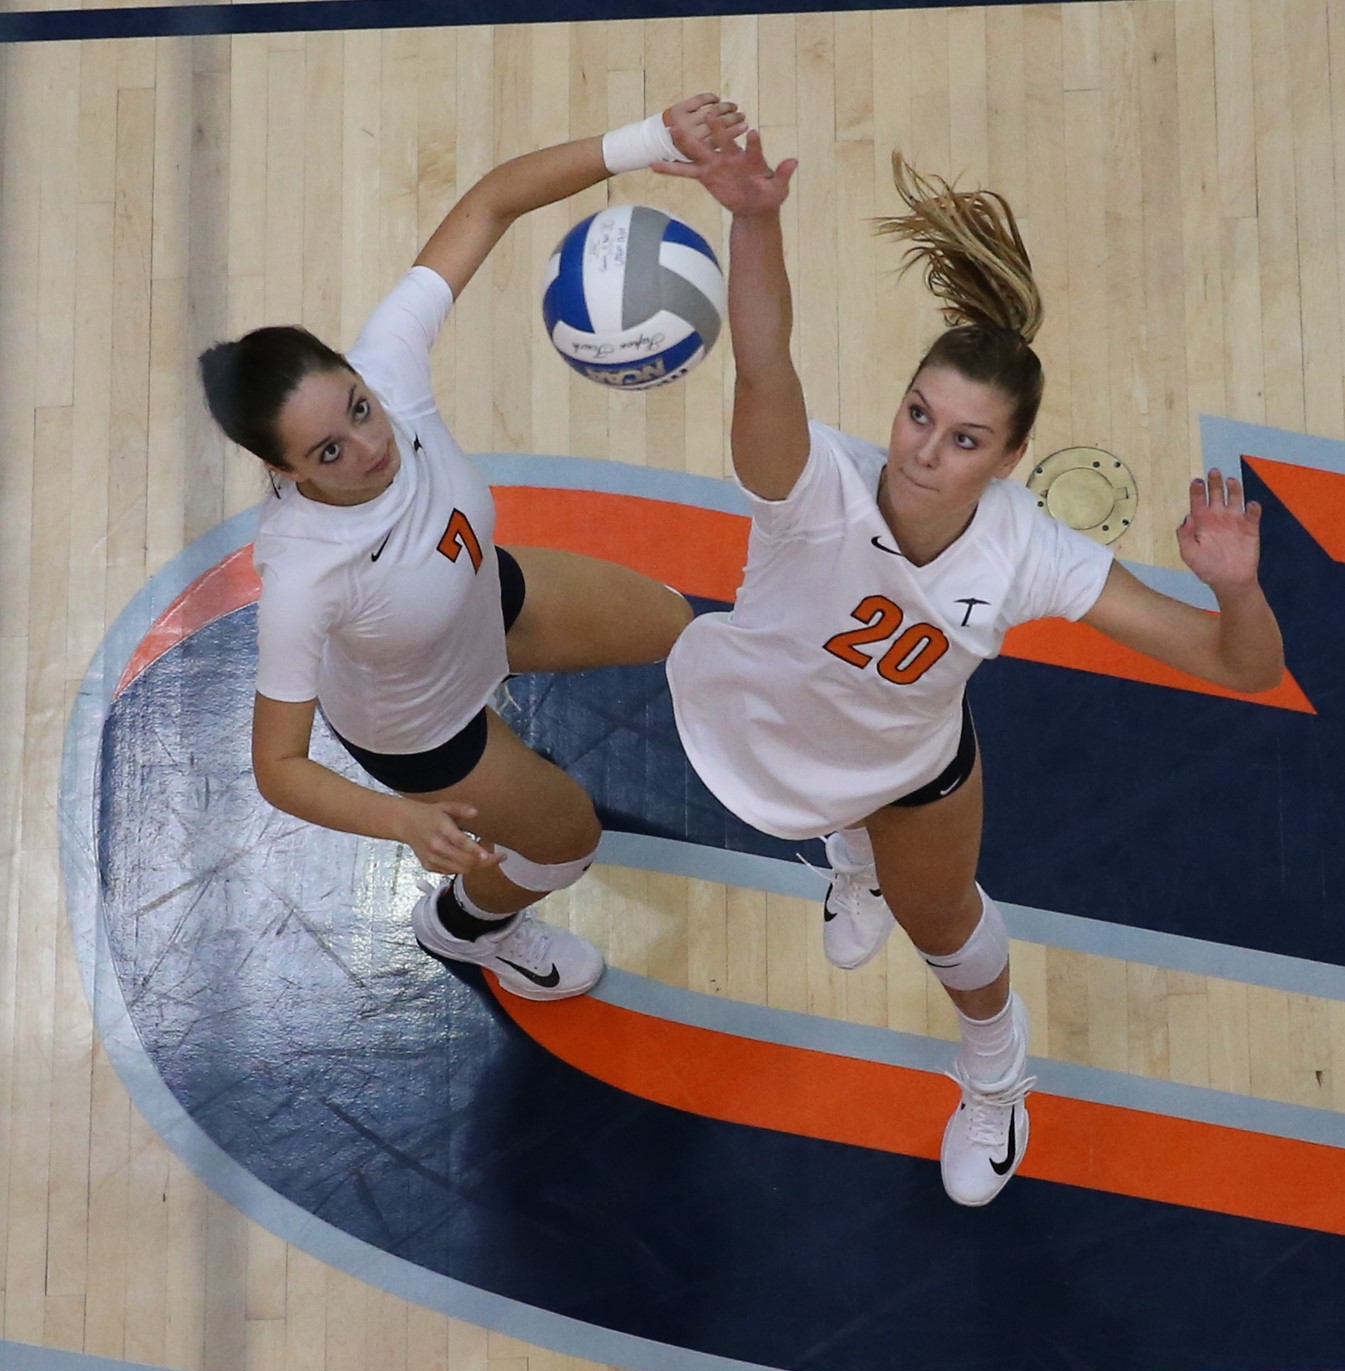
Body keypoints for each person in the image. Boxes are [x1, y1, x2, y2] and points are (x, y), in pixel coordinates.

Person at [656, 119, 1284, 1206]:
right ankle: (845, 855)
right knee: (826, 803)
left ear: (1008, 460)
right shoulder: (813, 486)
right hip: (783, 722)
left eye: (963, 439)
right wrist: (752, 220)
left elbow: (1241, 670)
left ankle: (995, 1076)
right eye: (917, 413)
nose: (923, 449)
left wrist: (1235, 587)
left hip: (909, 769)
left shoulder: (1030, 553)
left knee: (946, 933)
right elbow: (765, 360)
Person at [199, 95, 745, 1004]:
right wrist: (401, 817)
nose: (368, 448)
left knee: (678, 626)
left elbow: (491, 201)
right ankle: (464, 926)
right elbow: (279, 767)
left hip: (493, 602)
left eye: (358, 411)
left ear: (360, 376)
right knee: (566, 841)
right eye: (327, 452)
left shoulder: (392, 367)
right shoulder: (304, 575)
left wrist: (652, 139)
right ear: (283, 470)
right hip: (422, 727)